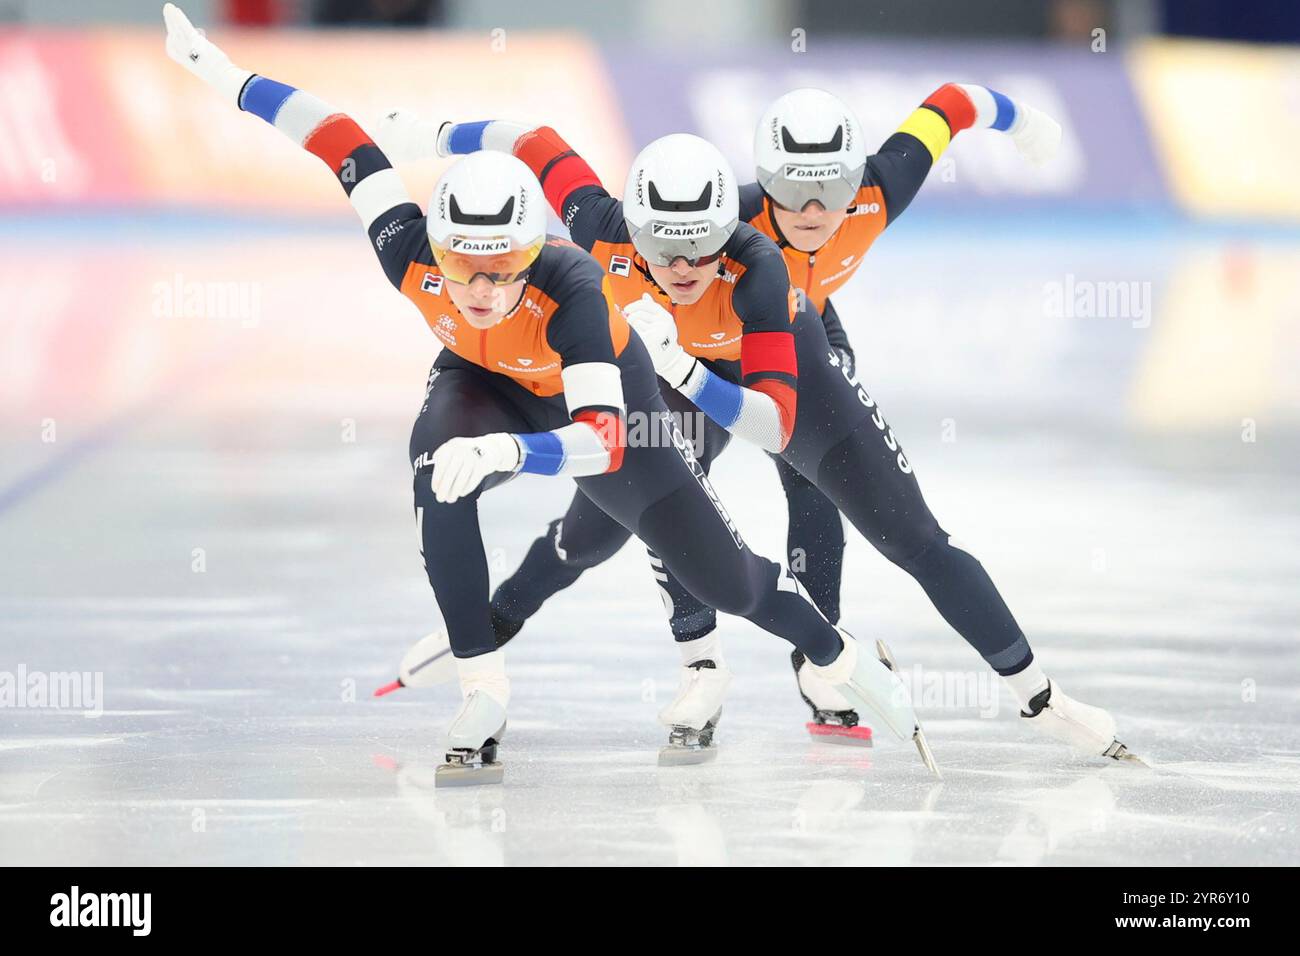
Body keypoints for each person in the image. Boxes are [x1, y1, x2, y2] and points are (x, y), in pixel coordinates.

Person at [160, 4, 938, 782]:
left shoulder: (572, 288)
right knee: (435, 466)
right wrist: (229, 78)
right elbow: (337, 137)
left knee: (728, 579)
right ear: (436, 247)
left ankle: (840, 657)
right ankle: (482, 686)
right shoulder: (405, 250)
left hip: (603, 396)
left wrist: (509, 451)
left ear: (535, 252)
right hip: (484, 382)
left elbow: (600, 439)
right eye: (464, 266)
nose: (483, 288)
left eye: (504, 268)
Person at [377, 82, 1138, 763]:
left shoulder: (853, 204)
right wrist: (439, 136)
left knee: (893, 526)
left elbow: (953, 103)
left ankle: (1019, 692)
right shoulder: (614, 229)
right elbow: (536, 143)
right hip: (684, 371)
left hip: (785, 350)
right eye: (788, 190)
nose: (811, 214)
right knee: (615, 521)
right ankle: (683, 659)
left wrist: (1023, 118)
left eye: (831, 189)